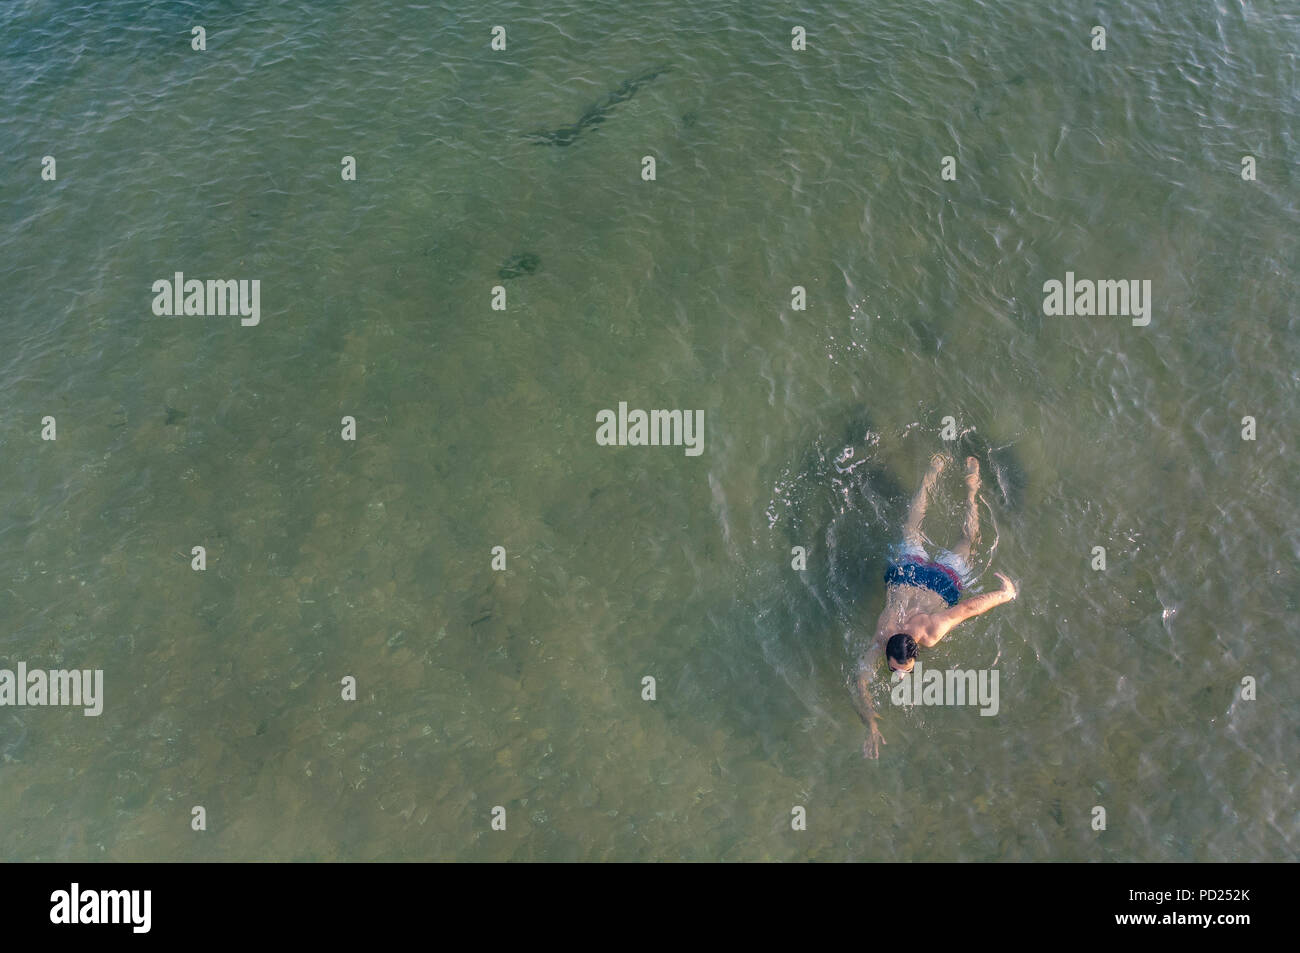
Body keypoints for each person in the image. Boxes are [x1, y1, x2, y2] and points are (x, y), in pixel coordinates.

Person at [853, 453, 1017, 758]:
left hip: (939, 580)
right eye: (899, 670)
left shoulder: (923, 632)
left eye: (898, 669)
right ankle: (942, 477)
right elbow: (859, 684)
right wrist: (872, 726)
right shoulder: (899, 633)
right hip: (908, 570)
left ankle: (962, 484)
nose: (899, 674)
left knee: (968, 540)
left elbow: (969, 608)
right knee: (912, 529)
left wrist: (1005, 594)